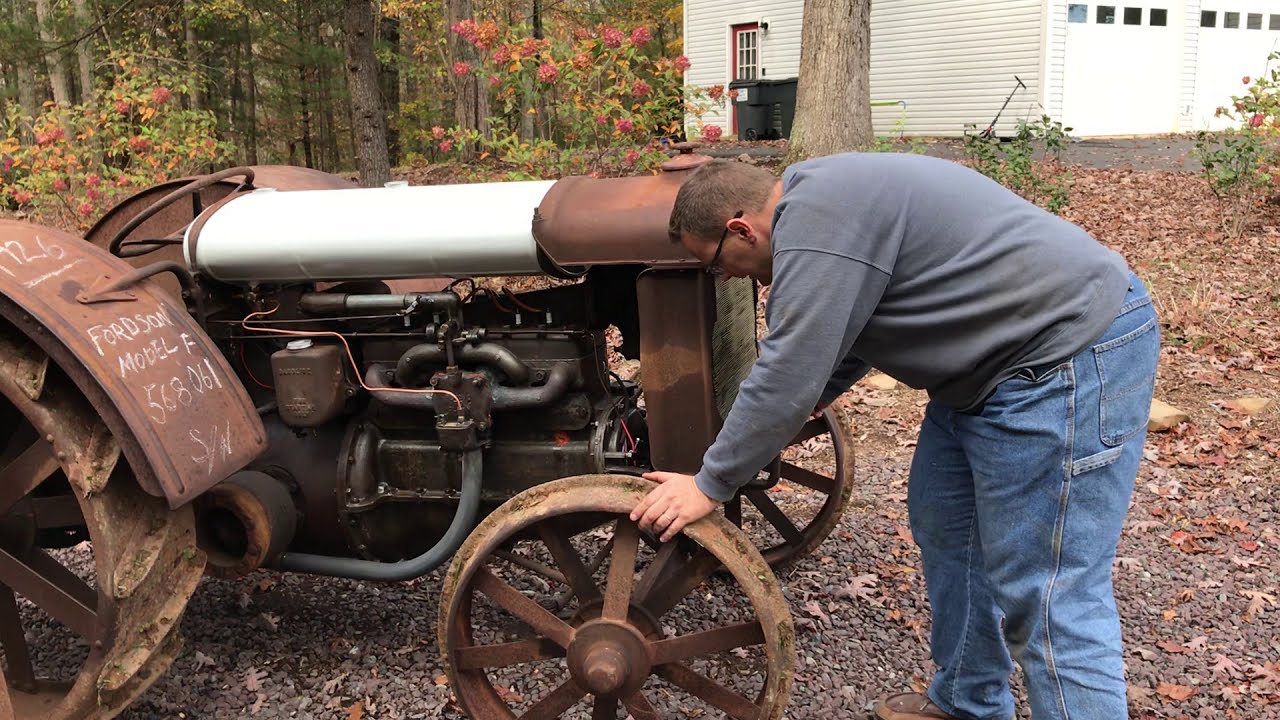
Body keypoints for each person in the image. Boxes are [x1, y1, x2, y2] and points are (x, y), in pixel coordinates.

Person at [630, 153, 1160, 720]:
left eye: (716, 263)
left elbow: (788, 366)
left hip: (1062, 361)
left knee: (1051, 594)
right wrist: (814, 394)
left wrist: (710, 484)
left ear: (740, 228)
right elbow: (855, 320)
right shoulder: (822, 200)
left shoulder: (815, 228)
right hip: (986, 374)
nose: (728, 277)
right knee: (948, 528)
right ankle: (969, 702)